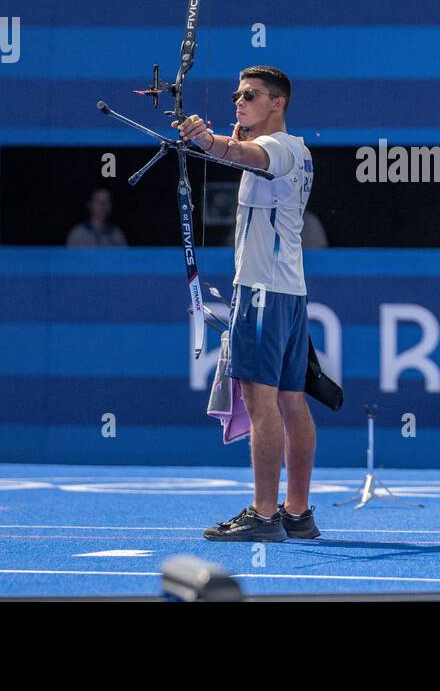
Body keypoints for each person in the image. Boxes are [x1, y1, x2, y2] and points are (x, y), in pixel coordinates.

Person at [173, 66, 319, 542]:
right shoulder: (294, 151)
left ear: (277, 102)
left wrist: (207, 141)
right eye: (236, 93)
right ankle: (296, 513)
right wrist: (212, 139)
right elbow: (241, 153)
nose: (239, 100)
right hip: (289, 292)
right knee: (291, 402)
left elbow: (244, 153)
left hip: (261, 293)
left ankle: (263, 515)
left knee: (262, 404)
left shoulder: (280, 147)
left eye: (250, 95)